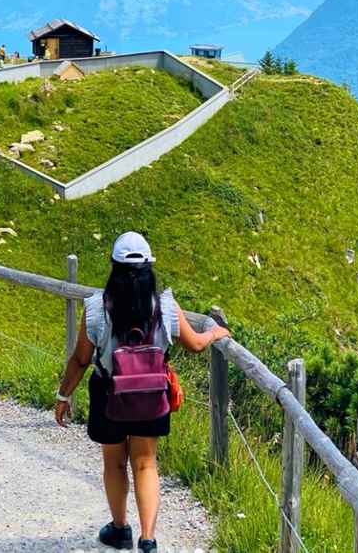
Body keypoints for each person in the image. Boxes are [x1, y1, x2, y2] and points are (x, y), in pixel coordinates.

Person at [55, 232, 231, 553]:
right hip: (152, 395)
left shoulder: (96, 307)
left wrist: (64, 395)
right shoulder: (164, 304)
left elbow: (80, 359)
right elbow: (193, 344)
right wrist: (215, 332)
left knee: (114, 463)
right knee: (146, 464)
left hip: (108, 394)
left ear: (113, 266)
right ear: (150, 267)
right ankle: (147, 540)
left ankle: (120, 529)